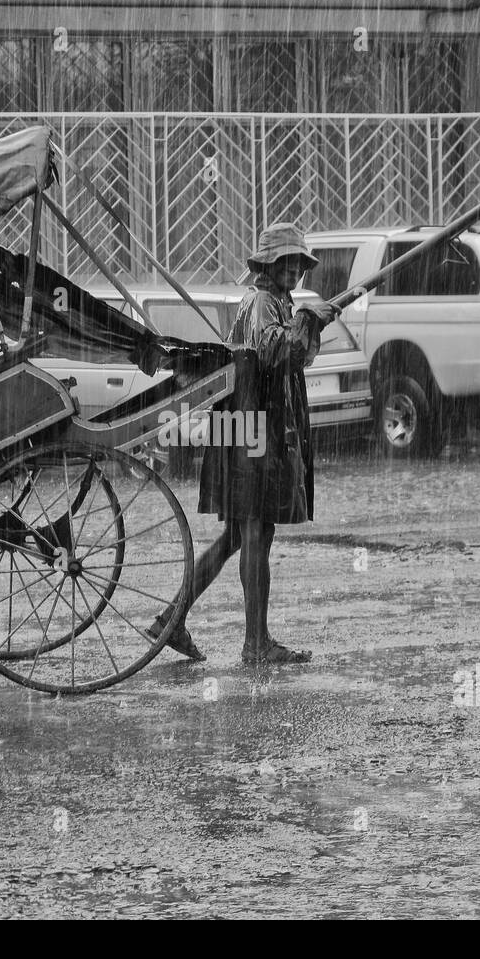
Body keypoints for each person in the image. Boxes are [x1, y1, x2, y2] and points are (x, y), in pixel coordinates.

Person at [147, 223, 338, 664]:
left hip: (253, 428)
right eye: (285, 262)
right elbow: (277, 353)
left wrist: (308, 319)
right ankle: (256, 644)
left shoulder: (275, 301)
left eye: (298, 264)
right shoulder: (261, 303)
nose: (293, 270)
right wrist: (311, 319)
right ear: (269, 265)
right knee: (254, 531)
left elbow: (290, 356)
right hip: (251, 432)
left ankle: (172, 618)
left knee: (241, 532)